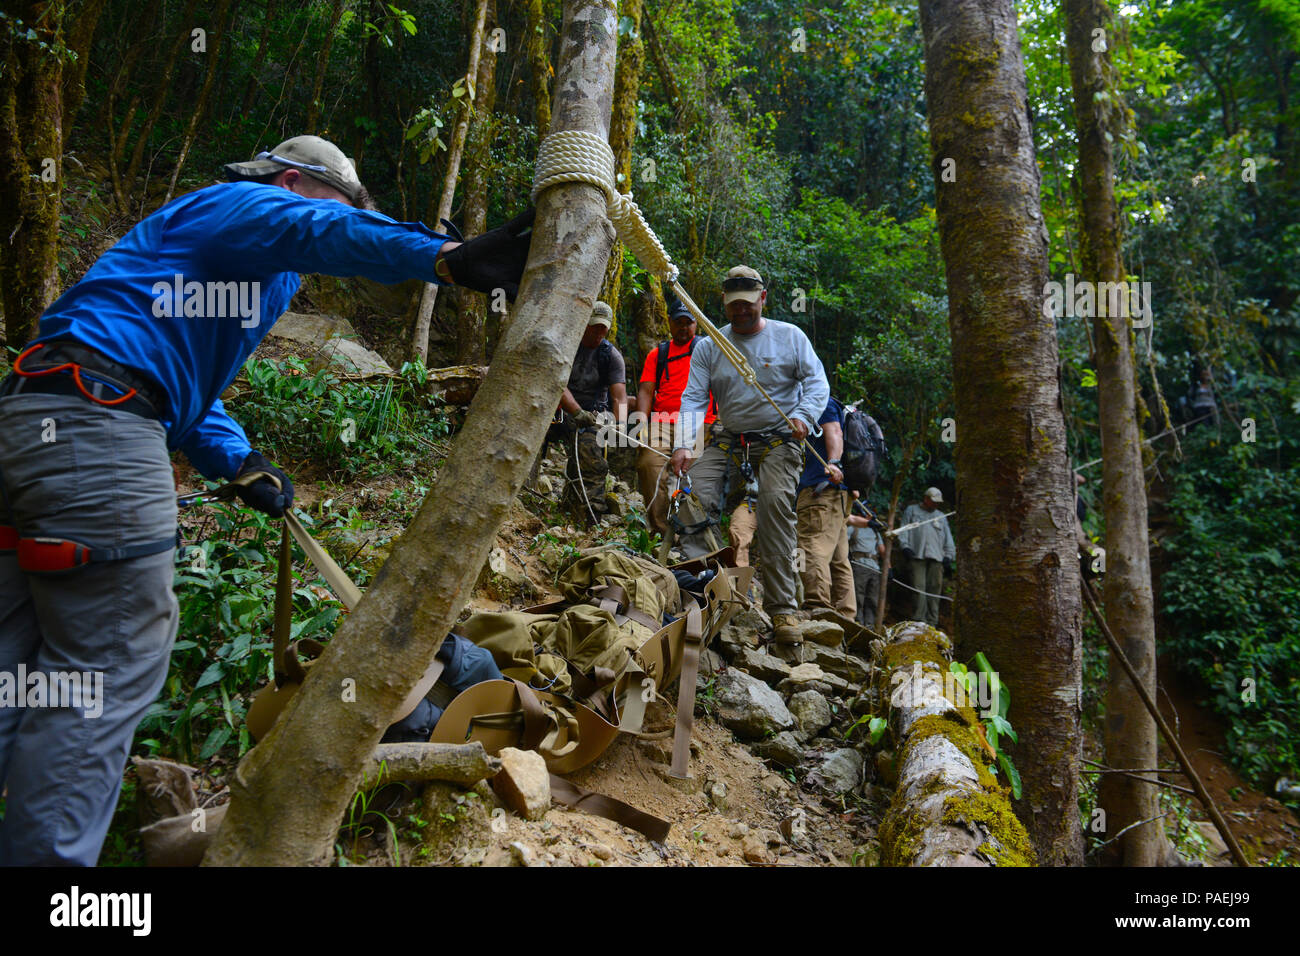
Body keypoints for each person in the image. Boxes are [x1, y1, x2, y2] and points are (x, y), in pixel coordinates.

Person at [0, 134, 532, 866]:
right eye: (340, 207)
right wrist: (442, 256)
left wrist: (239, 458)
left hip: (36, 420)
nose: (338, 227)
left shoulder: (223, 262)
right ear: (291, 179)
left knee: (17, 665)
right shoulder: (244, 205)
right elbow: (312, 227)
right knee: (106, 661)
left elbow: (182, 376)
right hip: (101, 428)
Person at [670, 265, 829, 661]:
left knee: (775, 505)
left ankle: (783, 612)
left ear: (763, 299)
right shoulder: (710, 346)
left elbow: (817, 383)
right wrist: (684, 446)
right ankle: (702, 587)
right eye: (732, 305)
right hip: (729, 437)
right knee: (694, 497)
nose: (739, 312)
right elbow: (693, 397)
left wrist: (804, 417)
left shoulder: (790, 337)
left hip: (779, 438)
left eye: (747, 304)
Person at [634, 298, 714, 537]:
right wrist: (640, 424)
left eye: (688, 323)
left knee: (695, 477)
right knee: (648, 465)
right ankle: (661, 530)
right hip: (662, 422)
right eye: (678, 322)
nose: (683, 328)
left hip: (700, 423)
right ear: (669, 322)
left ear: (696, 325)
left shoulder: (709, 350)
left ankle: (693, 533)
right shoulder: (659, 354)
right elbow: (646, 390)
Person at [549, 301, 627, 523]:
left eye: (603, 327)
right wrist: (575, 411)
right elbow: (557, 383)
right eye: (594, 326)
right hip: (559, 409)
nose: (598, 332)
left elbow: (619, 396)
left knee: (591, 455)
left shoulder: (611, 356)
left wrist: (619, 425)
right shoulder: (567, 345)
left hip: (592, 416)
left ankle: (588, 515)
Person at [795, 397, 855, 618]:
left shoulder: (820, 401)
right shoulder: (838, 405)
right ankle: (846, 613)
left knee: (811, 544)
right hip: (838, 493)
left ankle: (816, 605)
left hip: (820, 488)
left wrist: (833, 463)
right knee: (840, 558)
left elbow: (835, 431)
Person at [897, 487, 955, 628]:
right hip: (917, 554)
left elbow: (948, 539)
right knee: (918, 588)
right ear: (926, 498)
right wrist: (905, 546)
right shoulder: (912, 510)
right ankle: (919, 621)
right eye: (933, 501)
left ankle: (932, 622)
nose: (936, 504)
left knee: (935, 588)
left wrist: (949, 555)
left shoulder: (940, 515)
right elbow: (903, 529)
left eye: (937, 502)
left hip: (937, 557)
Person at [846, 509, 885, 626]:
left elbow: (882, 550)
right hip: (859, 565)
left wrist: (889, 568)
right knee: (858, 596)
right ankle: (858, 622)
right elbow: (843, 541)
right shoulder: (853, 528)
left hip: (874, 567)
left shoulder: (875, 531)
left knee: (872, 598)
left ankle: (870, 625)